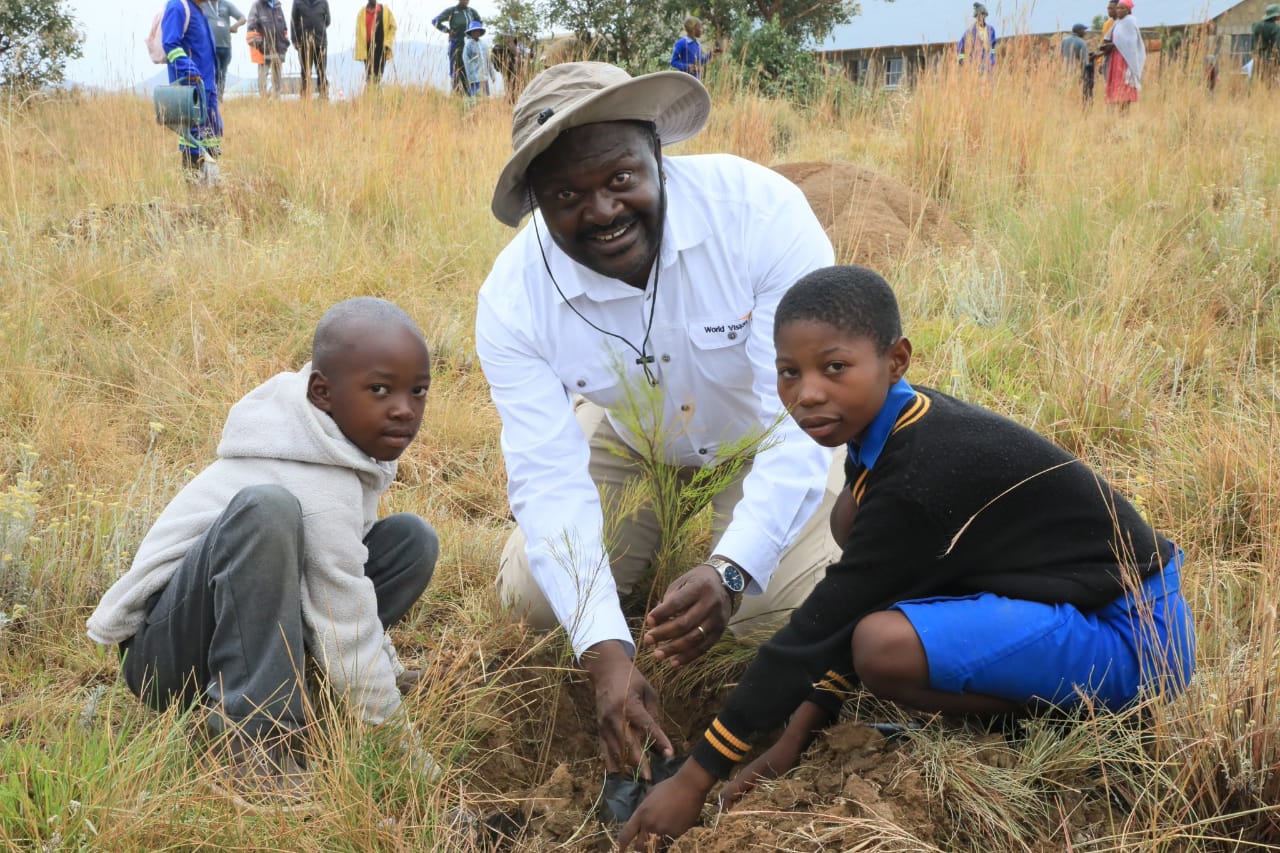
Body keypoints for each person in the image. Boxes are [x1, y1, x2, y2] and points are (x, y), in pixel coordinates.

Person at [619, 265, 1197, 849]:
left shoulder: (919, 475)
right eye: (789, 373)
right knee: (850, 518)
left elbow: (816, 630)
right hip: (1076, 600)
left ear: (896, 360)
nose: (807, 392)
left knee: (881, 645)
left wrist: (695, 778)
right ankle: (1036, 692)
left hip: (1138, 634)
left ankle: (1064, 724)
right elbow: (868, 590)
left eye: (834, 367)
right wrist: (797, 736)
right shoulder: (887, 426)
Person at [477, 61, 844, 821]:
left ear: (657, 154)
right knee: (537, 598)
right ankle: (632, 596)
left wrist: (733, 567)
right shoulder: (514, 297)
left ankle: (709, 570)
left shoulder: (762, 215)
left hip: (763, 437)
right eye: (567, 197)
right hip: (632, 441)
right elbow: (548, 478)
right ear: (539, 202)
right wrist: (605, 651)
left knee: (777, 613)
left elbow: (802, 424)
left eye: (620, 178)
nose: (602, 211)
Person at [85, 298, 439, 803]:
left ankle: (307, 685)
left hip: (240, 620)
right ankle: (253, 741)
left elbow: (347, 585)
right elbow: (345, 623)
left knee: (411, 539)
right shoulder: (315, 479)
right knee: (267, 511)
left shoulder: (330, 439)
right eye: (379, 390)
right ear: (323, 392)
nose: (403, 408)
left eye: (418, 391)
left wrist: (384, 667)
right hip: (166, 661)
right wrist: (401, 747)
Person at [161, 0, 222, 181]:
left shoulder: (199, 10)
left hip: (207, 88)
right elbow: (170, 44)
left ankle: (209, 192)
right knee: (193, 141)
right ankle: (194, 193)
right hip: (191, 89)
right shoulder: (178, 7)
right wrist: (190, 70)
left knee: (210, 138)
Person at [1099, 0, 1144, 107]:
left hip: (1124, 59)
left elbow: (1130, 42)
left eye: (1122, 8)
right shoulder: (1118, 22)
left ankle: (1123, 113)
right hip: (1115, 58)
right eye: (1118, 8)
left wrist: (1114, 45)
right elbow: (1109, 39)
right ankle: (1117, 114)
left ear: (1128, 10)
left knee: (1123, 85)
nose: (1118, 10)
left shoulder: (1130, 22)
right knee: (1115, 86)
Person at [433, 0, 481, 95]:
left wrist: (475, 35)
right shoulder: (452, 11)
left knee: (471, 70)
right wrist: (447, 30)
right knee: (457, 70)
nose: (466, 1)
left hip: (471, 47)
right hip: (457, 46)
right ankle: (457, 95)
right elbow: (435, 21)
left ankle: (472, 95)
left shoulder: (472, 12)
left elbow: (479, 23)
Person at [200, 0, 245, 94]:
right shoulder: (203, 4)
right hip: (211, 46)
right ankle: (211, 96)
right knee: (214, 72)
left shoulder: (226, 4)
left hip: (226, 46)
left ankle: (219, 97)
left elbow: (242, 18)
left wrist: (235, 26)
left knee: (222, 74)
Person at [246, 0, 288, 98]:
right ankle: (264, 101)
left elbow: (284, 28)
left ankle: (277, 102)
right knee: (262, 80)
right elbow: (251, 29)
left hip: (279, 51)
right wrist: (262, 47)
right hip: (263, 53)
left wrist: (285, 44)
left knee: (277, 81)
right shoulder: (256, 6)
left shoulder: (278, 6)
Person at [291, 0, 330, 99]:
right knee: (305, 72)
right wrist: (295, 40)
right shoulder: (297, 2)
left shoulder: (323, 2)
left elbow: (328, 21)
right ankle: (305, 97)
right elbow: (293, 22)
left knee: (321, 71)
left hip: (320, 43)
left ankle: (324, 95)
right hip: (304, 43)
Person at [356, 0, 397, 88]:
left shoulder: (384, 10)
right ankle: (371, 96)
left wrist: (388, 43)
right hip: (367, 49)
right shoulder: (361, 13)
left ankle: (374, 96)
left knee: (377, 76)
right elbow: (359, 33)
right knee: (369, 76)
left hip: (381, 48)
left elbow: (393, 26)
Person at [957, 3, 997, 70]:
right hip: (975, 67)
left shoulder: (991, 30)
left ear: (985, 15)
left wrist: (992, 59)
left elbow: (993, 47)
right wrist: (962, 61)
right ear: (976, 16)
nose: (981, 17)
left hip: (989, 67)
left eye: (982, 14)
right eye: (978, 15)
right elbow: (960, 47)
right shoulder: (970, 32)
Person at [463, 20, 495, 98]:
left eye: (477, 31)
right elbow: (466, 62)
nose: (475, 33)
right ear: (470, 33)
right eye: (473, 31)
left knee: (485, 98)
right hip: (475, 78)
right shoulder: (468, 45)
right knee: (475, 98)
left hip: (484, 77)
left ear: (480, 32)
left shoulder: (484, 45)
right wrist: (470, 78)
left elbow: (488, 61)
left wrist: (492, 75)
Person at [1253, 4, 1280, 89]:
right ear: (1276, 16)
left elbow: (1253, 43)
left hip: (1257, 59)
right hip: (1270, 60)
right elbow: (1277, 47)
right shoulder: (1276, 28)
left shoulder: (1256, 26)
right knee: (1271, 85)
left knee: (1260, 84)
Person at [1061, 23, 1090, 101]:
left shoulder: (1064, 40)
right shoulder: (1082, 42)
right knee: (1075, 92)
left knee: (1065, 91)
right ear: (1078, 31)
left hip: (1064, 69)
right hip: (1075, 70)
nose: (1085, 32)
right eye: (1083, 30)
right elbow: (1085, 61)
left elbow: (1061, 53)